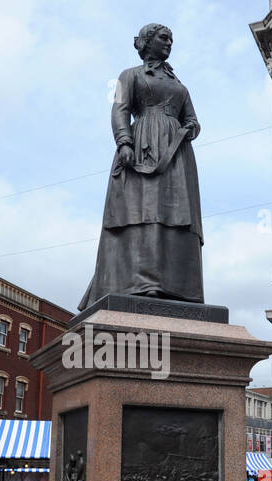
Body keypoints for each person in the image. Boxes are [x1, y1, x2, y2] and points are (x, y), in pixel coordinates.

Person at [79, 24, 204, 308]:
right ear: (147, 41)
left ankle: (178, 286)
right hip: (142, 146)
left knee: (175, 214)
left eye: (172, 38)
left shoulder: (178, 83)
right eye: (163, 37)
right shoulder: (130, 75)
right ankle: (140, 282)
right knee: (143, 211)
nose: (169, 42)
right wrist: (124, 141)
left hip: (177, 154)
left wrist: (191, 128)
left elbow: (192, 118)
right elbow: (120, 109)